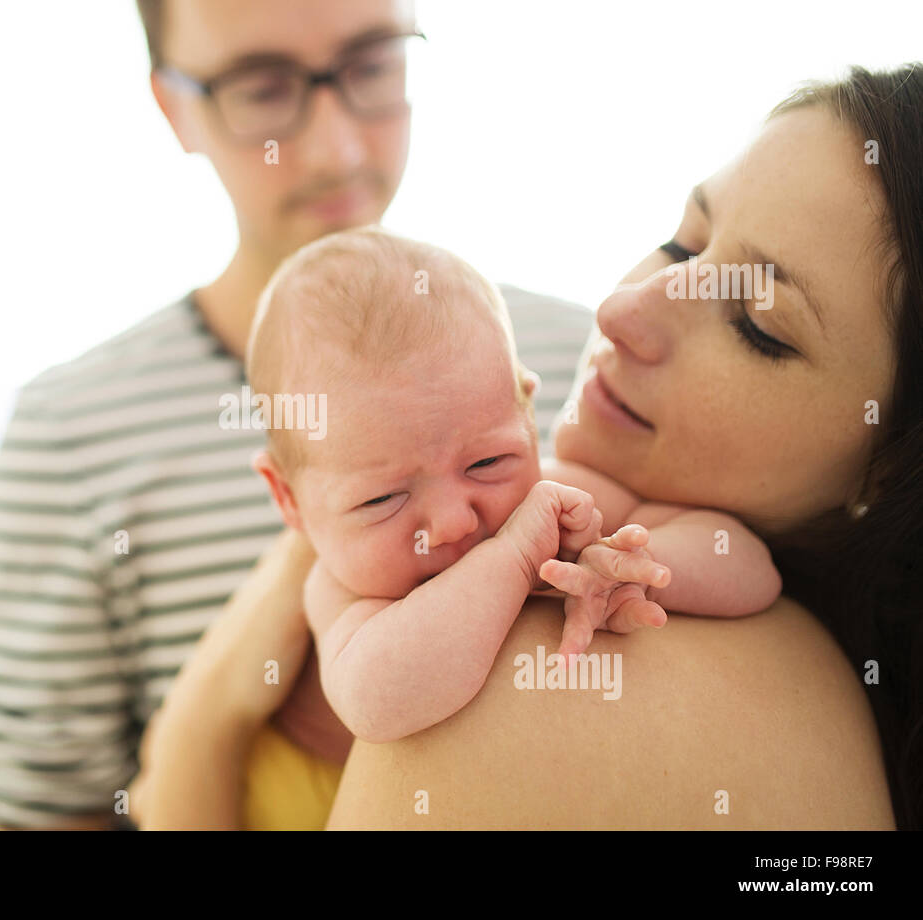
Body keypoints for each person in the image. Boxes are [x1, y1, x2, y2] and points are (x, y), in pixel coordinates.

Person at [132, 64, 921, 830]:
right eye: (682, 246)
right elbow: (379, 696)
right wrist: (511, 563)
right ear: (290, 503)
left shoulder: (572, 502)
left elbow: (746, 568)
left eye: (756, 325)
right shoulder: (348, 581)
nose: (618, 309)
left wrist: (643, 566)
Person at [0, 0, 594, 829]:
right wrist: (206, 717)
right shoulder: (71, 434)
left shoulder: (583, 358)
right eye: (263, 90)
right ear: (173, 107)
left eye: (373, 64)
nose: (337, 147)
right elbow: (43, 816)